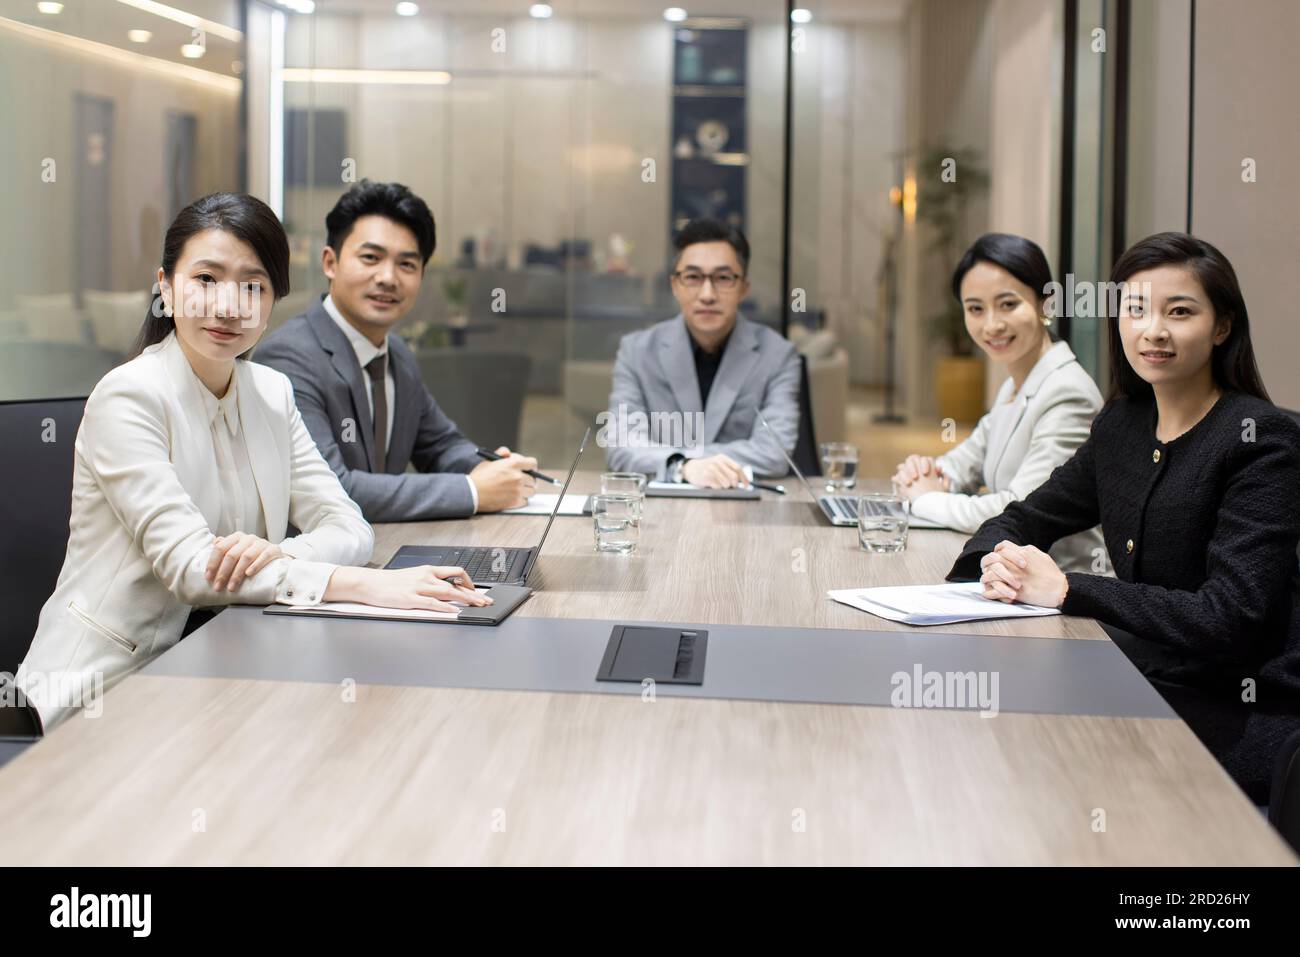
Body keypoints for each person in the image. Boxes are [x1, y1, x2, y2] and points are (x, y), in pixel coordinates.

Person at [14, 193, 491, 732]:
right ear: (166, 289)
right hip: (106, 689)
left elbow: (349, 526)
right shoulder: (128, 397)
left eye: (252, 286)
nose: (228, 305)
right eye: (206, 279)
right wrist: (365, 585)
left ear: (272, 302)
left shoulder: (272, 392)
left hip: (226, 668)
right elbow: (192, 569)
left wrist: (275, 552)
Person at [948, 232, 1300, 803]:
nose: (1152, 330)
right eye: (1135, 309)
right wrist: (997, 563)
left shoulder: (1260, 441)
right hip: (1144, 676)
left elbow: (1228, 618)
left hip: (1235, 706)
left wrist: (1067, 588)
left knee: (1031, 743)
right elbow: (1026, 515)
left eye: (1179, 312)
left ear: (1221, 327)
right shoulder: (1123, 428)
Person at [255, 180, 538, 521]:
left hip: (390, 553)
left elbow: (440, 444)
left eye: (406, 264)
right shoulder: (289, 357)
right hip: (318, 565)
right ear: (330, 263)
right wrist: (474, 491)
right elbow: (332, 488)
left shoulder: (397, 353)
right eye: (371, 258)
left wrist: (492, 468)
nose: (388, 277)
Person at [893, 233, 1104, 572]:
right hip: (1009, 577)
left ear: (1046, 303)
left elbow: (1018, 508)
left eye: (1008, 304)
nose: (991, 325)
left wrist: (926, 498)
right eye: (975, 309)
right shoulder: (1014, 383)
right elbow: (967, 459)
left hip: (1064, 591)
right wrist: (928, 472)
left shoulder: (1068, 393)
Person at [604, 218, 799, 488]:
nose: (707, 294)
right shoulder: (636, 352)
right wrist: (684, 467)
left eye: (723, 278)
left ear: (743, 288)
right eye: (693, 277)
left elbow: (775, 452)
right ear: (675, 285)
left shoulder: (778, 355)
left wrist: (679, 460)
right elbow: (620, 443)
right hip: (659, 514)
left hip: (742, 508)